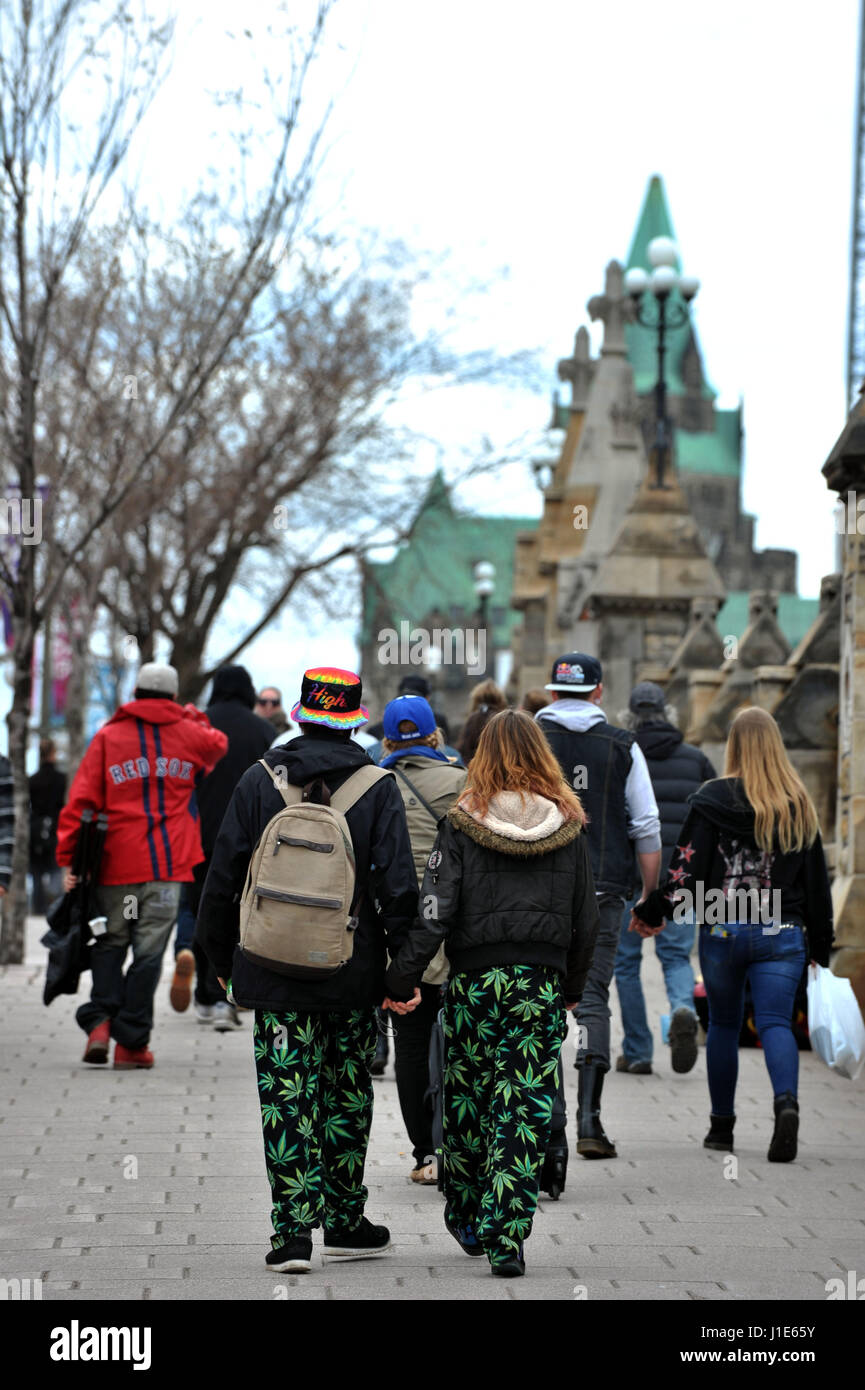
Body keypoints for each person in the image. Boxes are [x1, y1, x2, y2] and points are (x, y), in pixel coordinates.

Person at [195, 665, 418, 1273]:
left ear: (299, 712)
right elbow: (399, 888)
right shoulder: (377, 786)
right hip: (350, 970)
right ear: (353, 716)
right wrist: (404, 973)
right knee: (347, 1094)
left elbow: (224, 877)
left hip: (271, 968)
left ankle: (291, 1235)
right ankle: (345, 1221)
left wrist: (219, 959)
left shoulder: (258, 781)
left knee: (287, 1096)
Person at [385, 709, 599, 1277]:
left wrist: (402, 975)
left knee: (469, 1101)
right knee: (522, 1106)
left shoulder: (463, 821)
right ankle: (510, 1235)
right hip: (539, 984)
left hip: (476, 983)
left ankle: (470, 1215)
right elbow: (587, 918)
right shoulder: (570, 824)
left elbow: (435, 910)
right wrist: (572, 987)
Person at [632, 706, 834, 1163]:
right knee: (776, 1023)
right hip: (783, 928)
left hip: (724, 924)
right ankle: (786, 1104)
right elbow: (817, 883)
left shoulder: (711, 799)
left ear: (735, 747)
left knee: (723, 1023)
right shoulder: (797, 802)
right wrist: (821, 945)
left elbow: (686, 874)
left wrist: (652, 910)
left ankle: (722, 1128)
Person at [56, 663, 228, 1069]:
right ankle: (131, 1043)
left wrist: (69, 860)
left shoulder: (108, 737)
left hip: (119, 873)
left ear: (135, 691)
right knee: (148, 952)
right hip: (166, 874)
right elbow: (218, 743)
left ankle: (100, 1021)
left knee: (113, 941)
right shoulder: (189, 735)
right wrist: (190, 714)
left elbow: (80, 804)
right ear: (172, 696)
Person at [535, 653, 661, 1158]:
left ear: (550, 693)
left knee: (539, 1004)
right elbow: (646, 825)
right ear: (599, 692)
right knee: (590, 1001)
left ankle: (551, 1126)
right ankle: (590, 1117)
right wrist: (649, 898)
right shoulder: (623, 745)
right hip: (604, 890)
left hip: (536, 890)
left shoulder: (529, 743)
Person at [377, 693, 467, 1183]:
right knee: (458, 1044)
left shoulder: (375, 784)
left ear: (387, 739)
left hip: (401, 935)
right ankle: (457, 1142)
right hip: (454, 930)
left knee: (410, 1045)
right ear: (434, 735)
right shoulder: (462, 783)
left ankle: (424, 1153)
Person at [614, 682, 716, 1075]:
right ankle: (682, 1008)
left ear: (629, 716)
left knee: (626, 962)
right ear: (667, 713)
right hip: (683, 879)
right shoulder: (696, 760)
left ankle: (638, 1050)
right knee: (675, 956)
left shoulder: (621, 754)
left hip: (630, 874)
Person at [170, 665, 275, 1028]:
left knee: (202, 907)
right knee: (238, 914)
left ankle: (205, 990)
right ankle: (227, 991)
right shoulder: (263, 729)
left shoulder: (198, 726)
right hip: (248, 835)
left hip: (197, 835)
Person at [29, 738, 67, 913]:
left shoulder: (33, 780)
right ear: (53, 754)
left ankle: (38, 908)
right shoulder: (62, 779)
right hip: (56, 829)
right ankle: (55, 908)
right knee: (54, 869)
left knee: (37, 872)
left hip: (35, 830)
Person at [457, 678, 507, 763]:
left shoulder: (472, 719)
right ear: (500, 700)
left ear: (476, 700)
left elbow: (464, 750)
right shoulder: (505, 720)